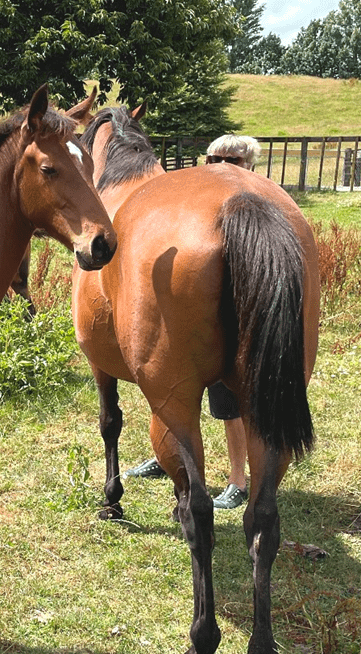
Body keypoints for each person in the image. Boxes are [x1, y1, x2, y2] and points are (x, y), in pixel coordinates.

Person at [124, 134, 261, 510]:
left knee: (230, 401)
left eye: (231, 160)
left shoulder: (259, 200)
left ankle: (237, 478)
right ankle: (168, 454)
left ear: (249, 166)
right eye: (213, 158)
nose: (219, 165)